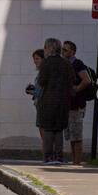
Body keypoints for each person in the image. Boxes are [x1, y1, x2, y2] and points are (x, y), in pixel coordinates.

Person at [36, 37, 74, 166]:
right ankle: (59, 156)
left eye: (45, 47)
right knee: (59, 130)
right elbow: (71, 81)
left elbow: (41, 82)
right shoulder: (66, 63)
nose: (44, 50)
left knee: (47, 130)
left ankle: (48, 156)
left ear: (50, 48)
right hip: (63, 101)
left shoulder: (46, 63)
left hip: (48, 101)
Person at [62, 40, 92, 164]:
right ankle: (74, 160)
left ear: (73, 52)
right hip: (69, 105)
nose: (63, 52)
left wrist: (76, 89)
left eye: (66, 50)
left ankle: (77, 161)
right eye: (62, 49)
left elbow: (86, 80)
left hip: (76, 105)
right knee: (71, 135)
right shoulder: (66, 64)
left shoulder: (77, 64)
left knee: (76, 135)